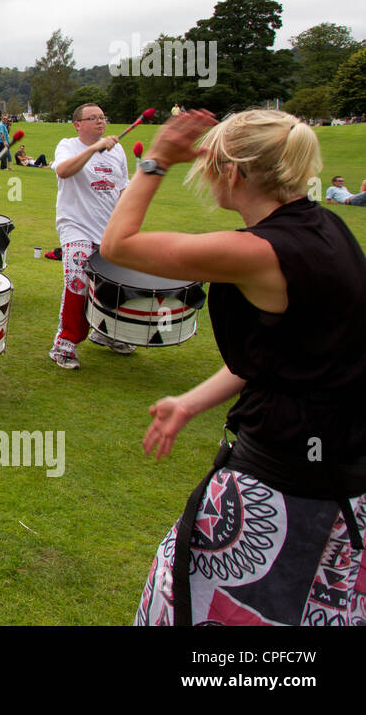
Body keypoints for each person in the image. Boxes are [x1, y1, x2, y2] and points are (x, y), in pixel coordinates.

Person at [101, 108, 366, 627]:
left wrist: (154, 162)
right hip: (340, 490)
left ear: (235, 171)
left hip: (281, 494)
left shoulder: (258, 251)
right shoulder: (327, 228)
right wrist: (190, 402)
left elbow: (118, 247)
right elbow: (290, 357)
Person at [48, 103, 133, 370]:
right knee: (78, 282)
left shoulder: (117, 150)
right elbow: (63, 170)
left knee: (113, 284)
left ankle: (105, 331)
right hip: (76, 226)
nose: (100, 122)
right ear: (78, 124)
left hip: (109, 229)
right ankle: (65, 344)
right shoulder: (68, 145)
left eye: (102, 117)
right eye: (92, 118)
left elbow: (122, 189)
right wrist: (95, 148)